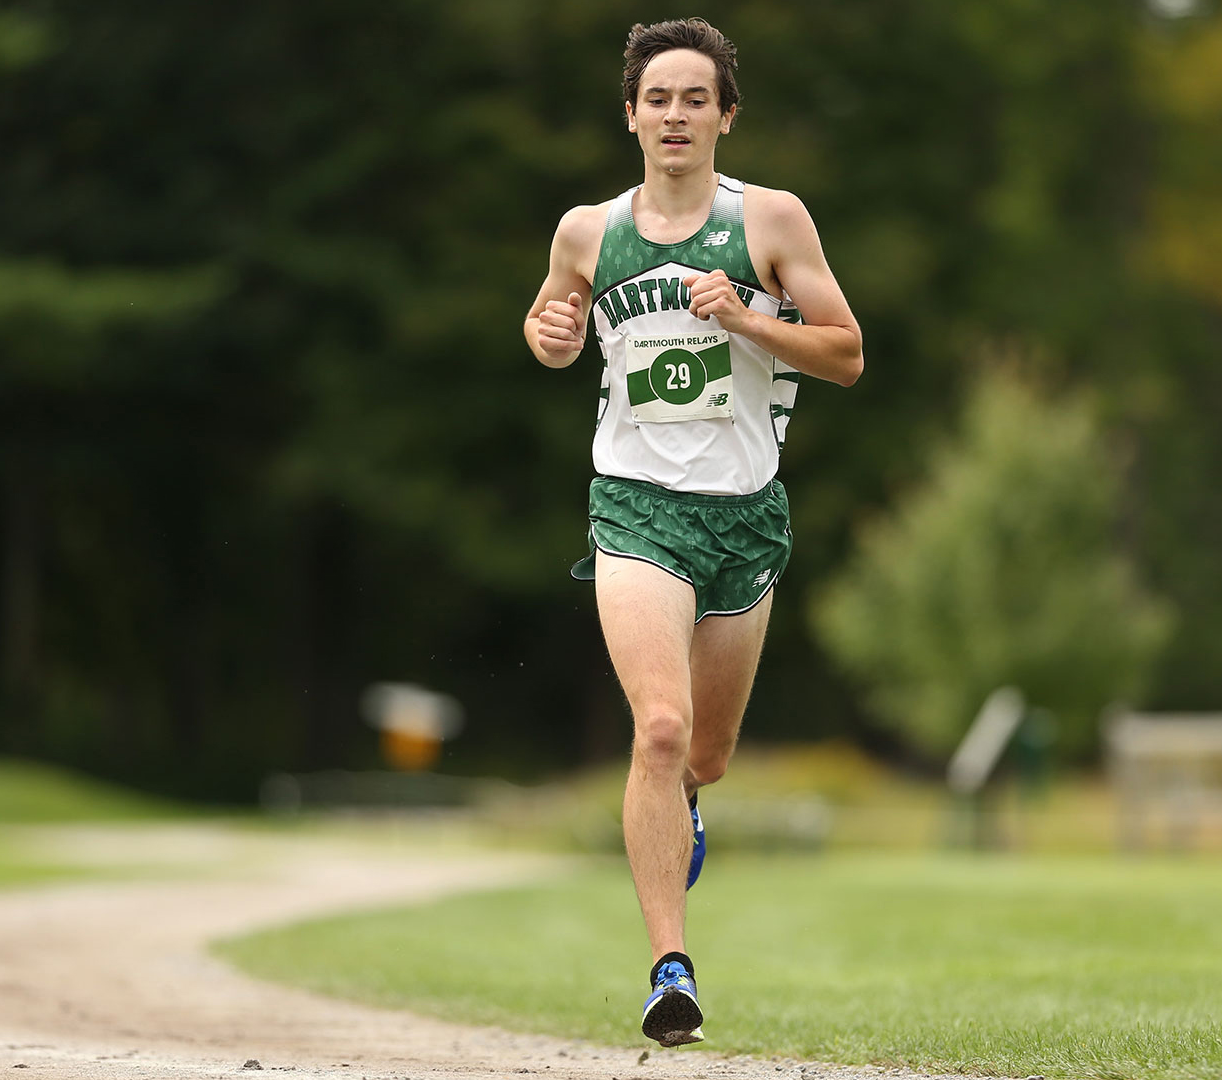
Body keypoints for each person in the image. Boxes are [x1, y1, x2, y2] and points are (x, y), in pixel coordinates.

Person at [522, 17, 863, 1049]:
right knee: (658, 730)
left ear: (724, 116)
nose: (675, 115)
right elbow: (552, 325)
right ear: (630, 115)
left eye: (694, 98)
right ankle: (670, 968)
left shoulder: (770, 220)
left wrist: (750, 318)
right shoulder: (588, 230)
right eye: (657, 98)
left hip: (744, 515)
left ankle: (685, 814)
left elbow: (845, 353)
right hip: (634, 509)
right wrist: (547, 334)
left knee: (702, 758)